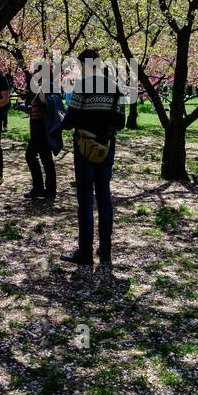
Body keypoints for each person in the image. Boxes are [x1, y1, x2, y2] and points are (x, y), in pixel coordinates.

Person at [59, 48, 124, 273]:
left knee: (85, 200)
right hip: (106, 148)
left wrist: (62, 119)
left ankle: (85, 252)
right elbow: (121, 122)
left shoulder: (83, 86)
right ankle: (105, 250)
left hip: (84, 147)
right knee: (104, 197)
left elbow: (70, 120)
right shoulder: (116, 87)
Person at [24, 67, 63, 199]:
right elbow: (41, 107)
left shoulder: (48, 87)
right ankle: (49, 190)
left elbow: (50, 104)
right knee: (46, 159)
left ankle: (39, 188)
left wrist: (43, 101)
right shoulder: (44, 87)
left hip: (41, 129)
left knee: (30, 155)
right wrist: (30, 109)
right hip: (39, 128)